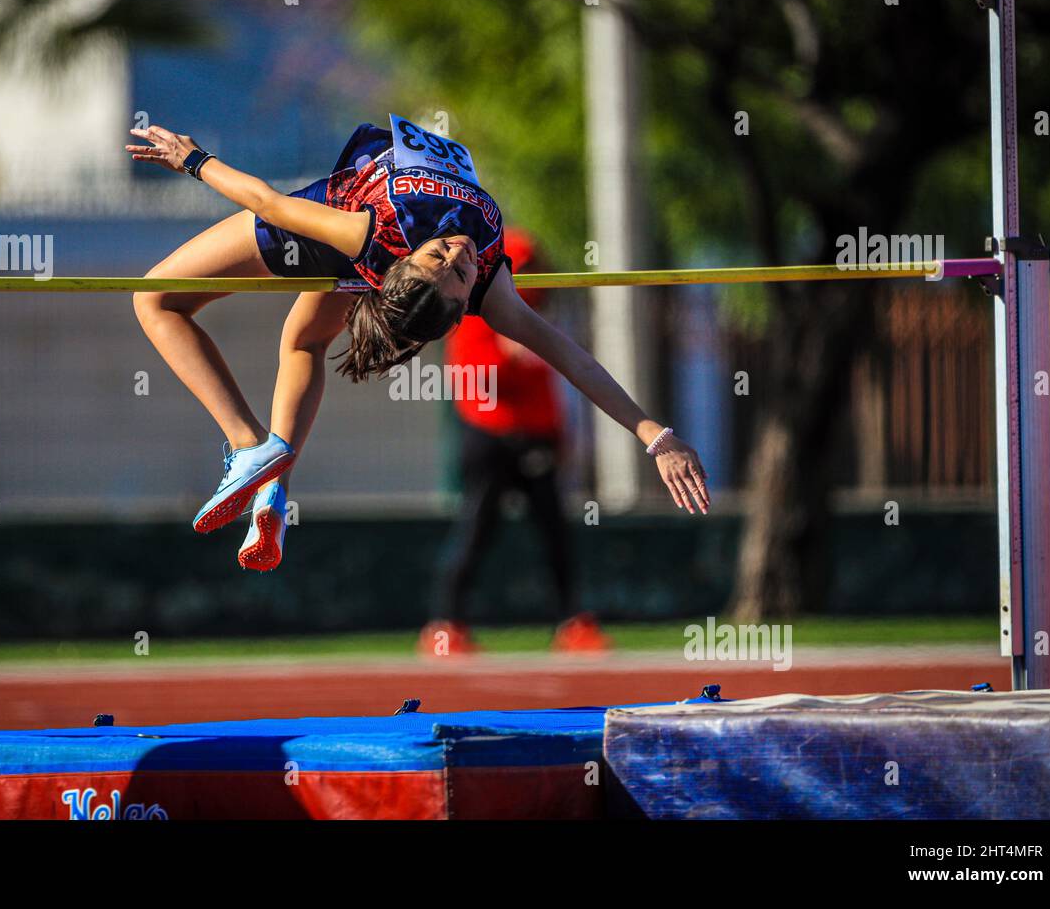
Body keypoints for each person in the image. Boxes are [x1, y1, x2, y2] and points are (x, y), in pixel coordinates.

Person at [126, 116, 709, 572]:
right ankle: (271, 487)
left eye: (452, 263)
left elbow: (270, 203)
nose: (459, 251)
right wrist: (656, 436)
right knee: (302, 344)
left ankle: (250, 445)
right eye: (452, 263)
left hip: (344, 218)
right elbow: (573, 359)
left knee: (156, 299)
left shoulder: (380, 237)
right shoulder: (485, 280)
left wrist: (193, 160)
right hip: (357, 234)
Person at [423, 229, 607, 654]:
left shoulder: (532, 318)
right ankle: (446, 626)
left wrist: (559, 435)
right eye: (525, 271)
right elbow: (476, 378)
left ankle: (573, 623)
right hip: (489, 434)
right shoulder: (472, 315)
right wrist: (511, 358)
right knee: (476, 530)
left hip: (535, 436)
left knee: (555, 532)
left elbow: (546, 385)